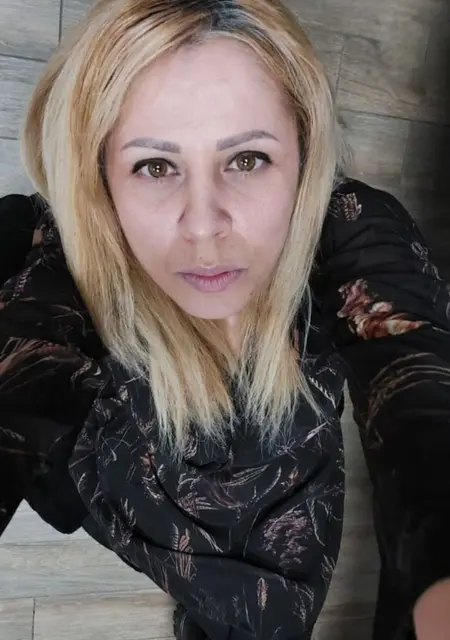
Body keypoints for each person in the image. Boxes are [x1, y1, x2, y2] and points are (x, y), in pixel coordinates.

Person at [1, 1, 450, 639]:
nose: (205, 226)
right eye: (155, 166)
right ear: (100, 177)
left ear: (304, 157)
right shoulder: (46, 264)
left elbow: (422, 398)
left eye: (246, 159)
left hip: (291, 525)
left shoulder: (346, 229)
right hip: (154, 517)